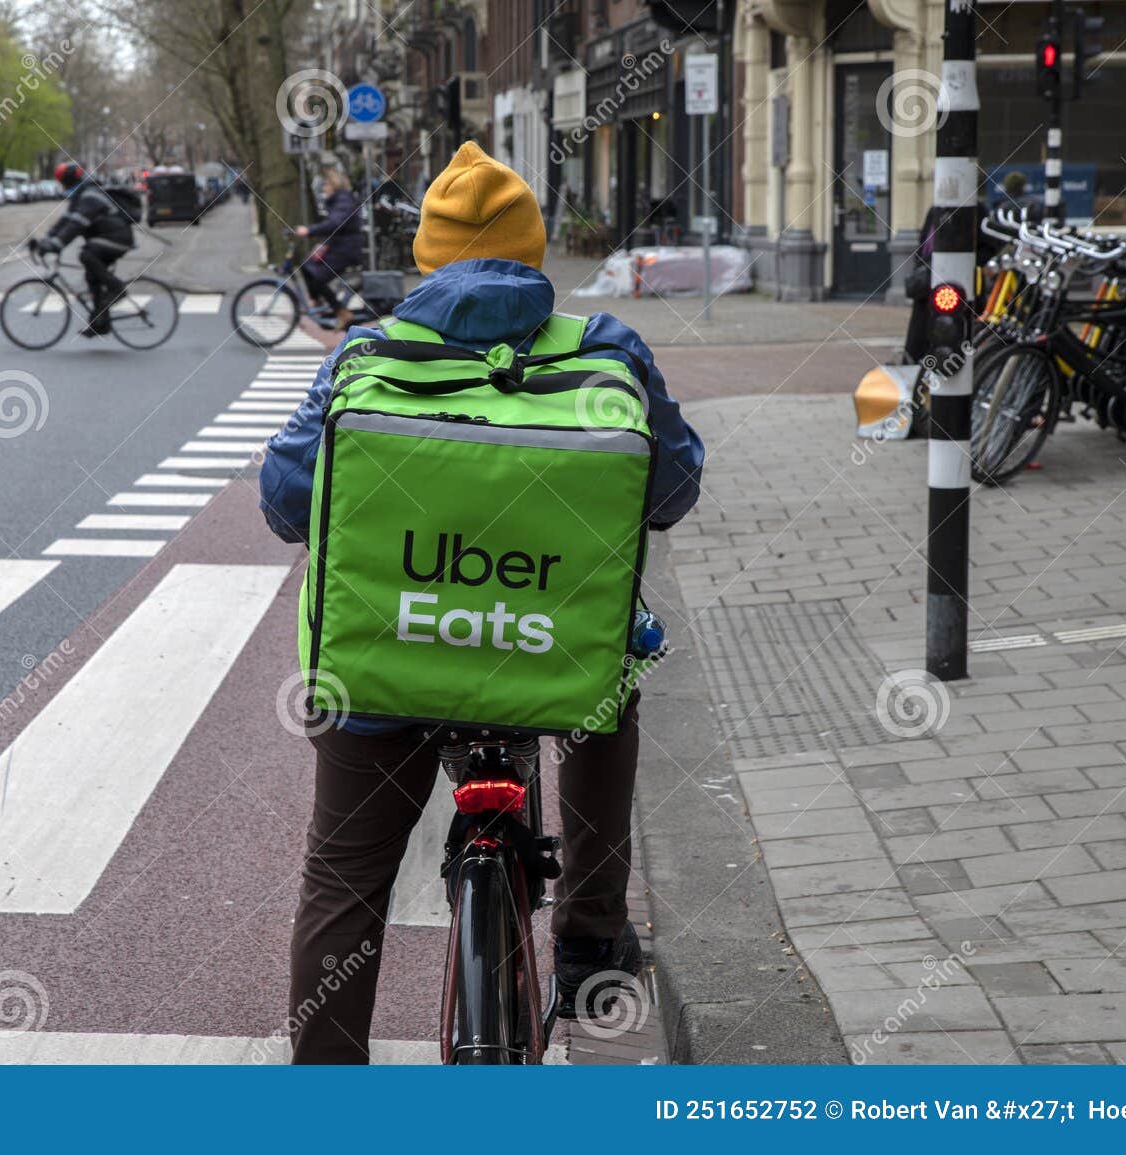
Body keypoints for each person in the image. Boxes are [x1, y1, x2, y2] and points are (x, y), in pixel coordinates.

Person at [258, 141, 704, 1064]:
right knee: (606, 689)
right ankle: (587, 937)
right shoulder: (606, 350)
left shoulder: (366, 357)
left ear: (426, 259)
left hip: (382, 668)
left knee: (344, 880)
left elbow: (284, 502)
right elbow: (671, 491)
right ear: (534, 256)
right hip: (549, 656)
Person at [33, 162, 134, 337]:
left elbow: (76, 225)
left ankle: (117, 289)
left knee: (87, 255)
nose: (62, 187)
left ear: (68, 181)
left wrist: (56, 245)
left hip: (117, 239)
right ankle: (100, 323)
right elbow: (65, 221)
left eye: (62, 183)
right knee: (91, 276)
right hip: (105, 238)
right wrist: (46, 240)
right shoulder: (80, 195)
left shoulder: (90, 196)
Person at [294, 166, 364, 329]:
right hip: (338, 247)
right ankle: (318, 300)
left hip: (346, 250)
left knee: (318, 278)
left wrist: (309, 230)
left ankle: (342, 312)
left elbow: (335, 223)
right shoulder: (337, 201)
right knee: (306, 266)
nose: (323, 188)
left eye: (325, 185)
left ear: (334, 185)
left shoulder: (343, 200)